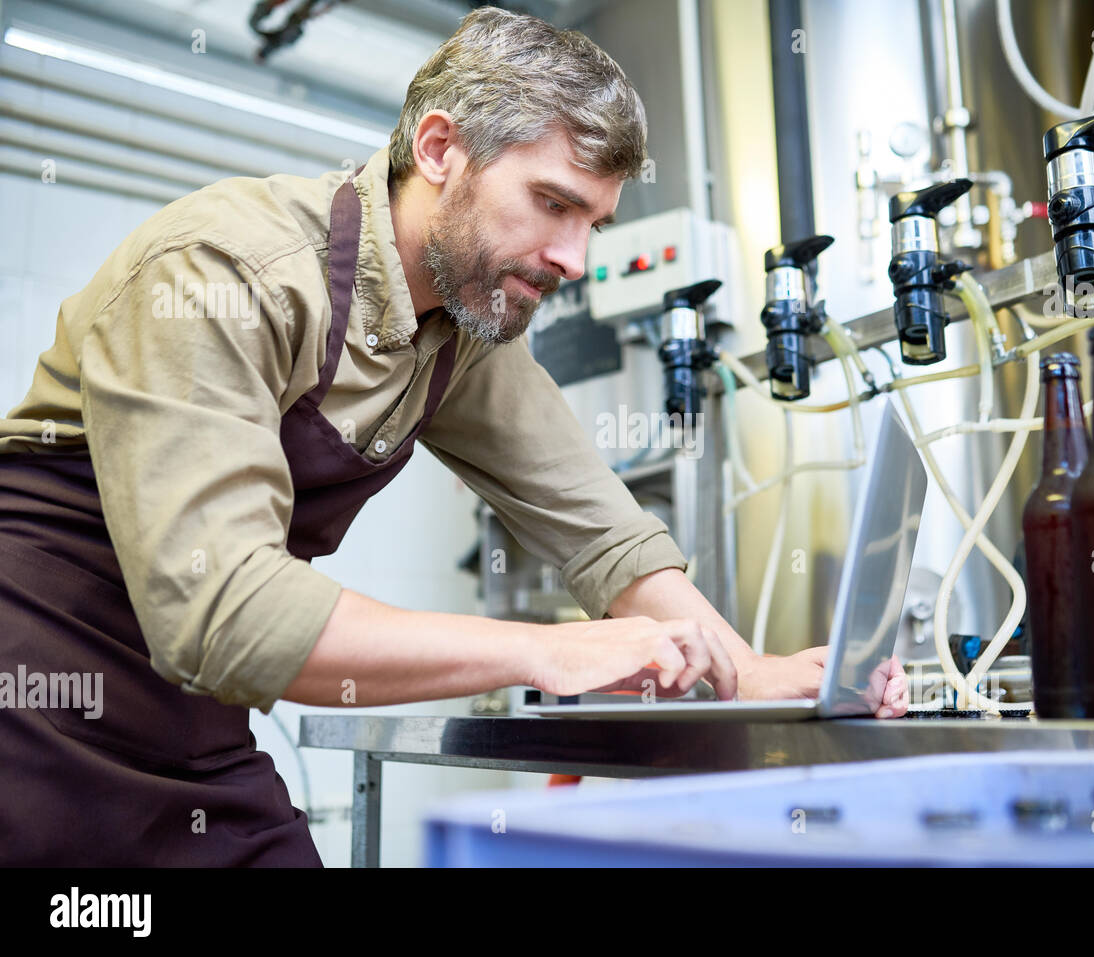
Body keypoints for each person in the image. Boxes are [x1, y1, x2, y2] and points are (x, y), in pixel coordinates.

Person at [0, 6, 907, 866]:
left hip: (194, 729)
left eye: (594, 222)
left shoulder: (464, 332)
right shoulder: (225, 274)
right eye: (552, 202)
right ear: (439, 149)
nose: (575, 259)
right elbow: (222, 614)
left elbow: (606, 532)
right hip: (34, 709)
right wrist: (547, 651)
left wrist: (745, 672)